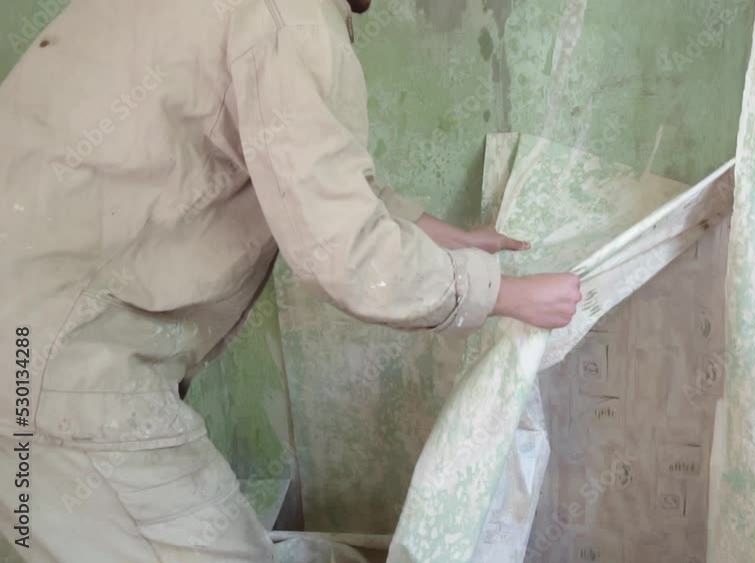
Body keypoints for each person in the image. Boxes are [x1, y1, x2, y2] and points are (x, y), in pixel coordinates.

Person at [0, 0, 581, 559]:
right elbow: (344, 252)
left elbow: (316, 177)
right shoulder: (286, 16)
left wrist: (452, 238)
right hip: (57, 366)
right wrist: (508, 295)